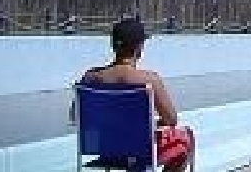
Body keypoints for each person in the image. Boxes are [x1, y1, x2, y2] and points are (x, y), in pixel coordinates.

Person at [73, 18, 195, 172]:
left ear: (113, 45)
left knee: (132, 139)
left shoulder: (90, 78)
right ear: (139, 47)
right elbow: (171, 119)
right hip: (141, 149)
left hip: (103, 149)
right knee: (185, 138)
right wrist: (147, 125)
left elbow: (75, 116)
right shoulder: (149, 79)